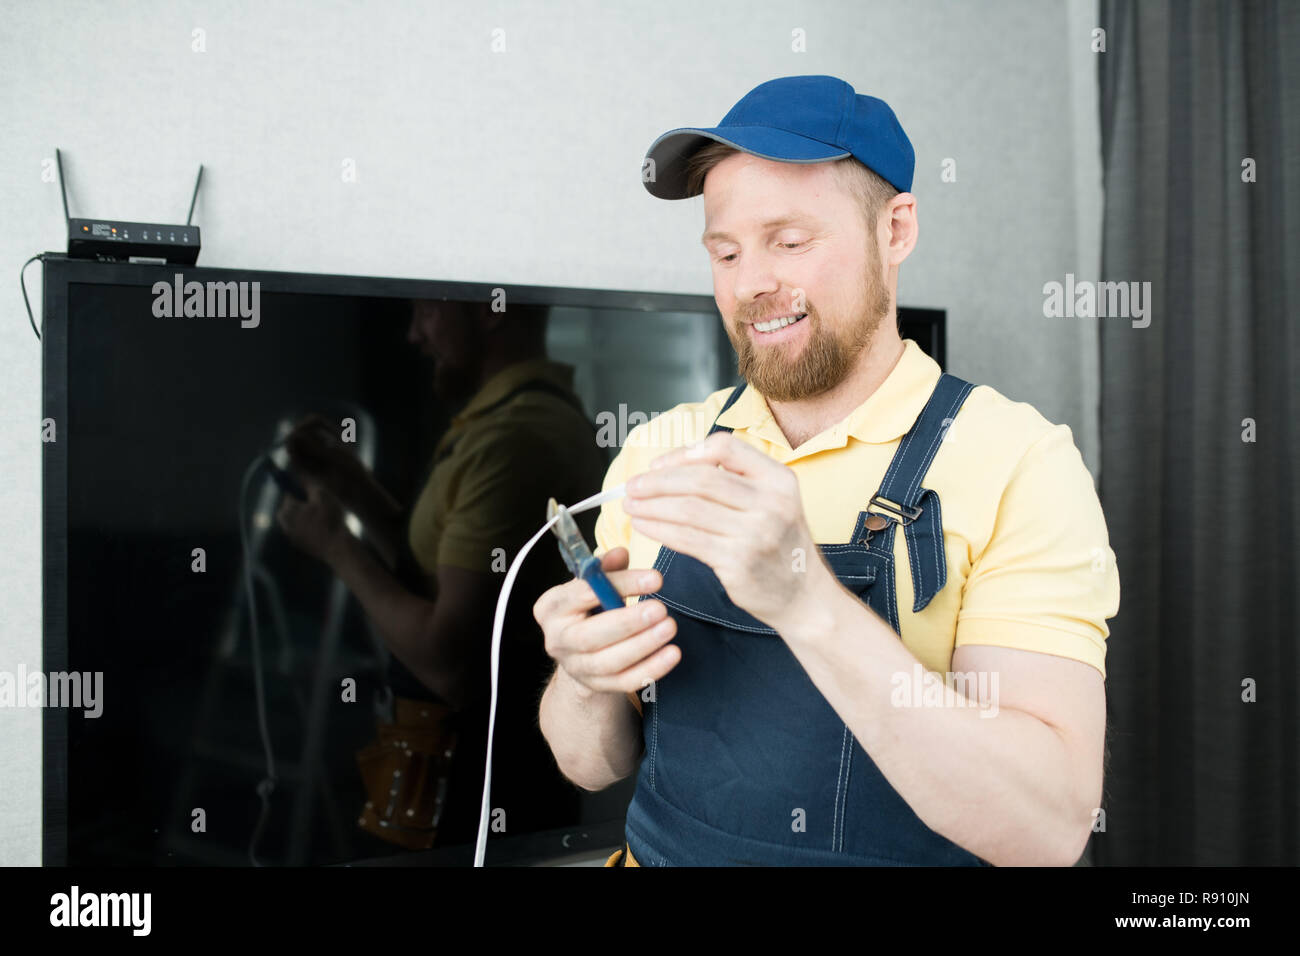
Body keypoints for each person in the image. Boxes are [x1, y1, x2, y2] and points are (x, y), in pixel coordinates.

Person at [533, 75, 1121, 867]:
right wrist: (580, 679)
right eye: (727, 251)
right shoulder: (660, 452)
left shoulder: (1020, 462)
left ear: (897, 229)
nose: (751, 284)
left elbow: (1046, 829)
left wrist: (807, 599)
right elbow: (592, 764)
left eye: (789, 240)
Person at [276, 299, 608, 852]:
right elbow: (436, 570)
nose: (413, 335)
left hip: (479, 780)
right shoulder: (499, 422)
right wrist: (352, 486)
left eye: (427, 313)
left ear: (490, 312)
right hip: (444, 768)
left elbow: (448, 661)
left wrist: (337, 547)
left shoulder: (515, 440)